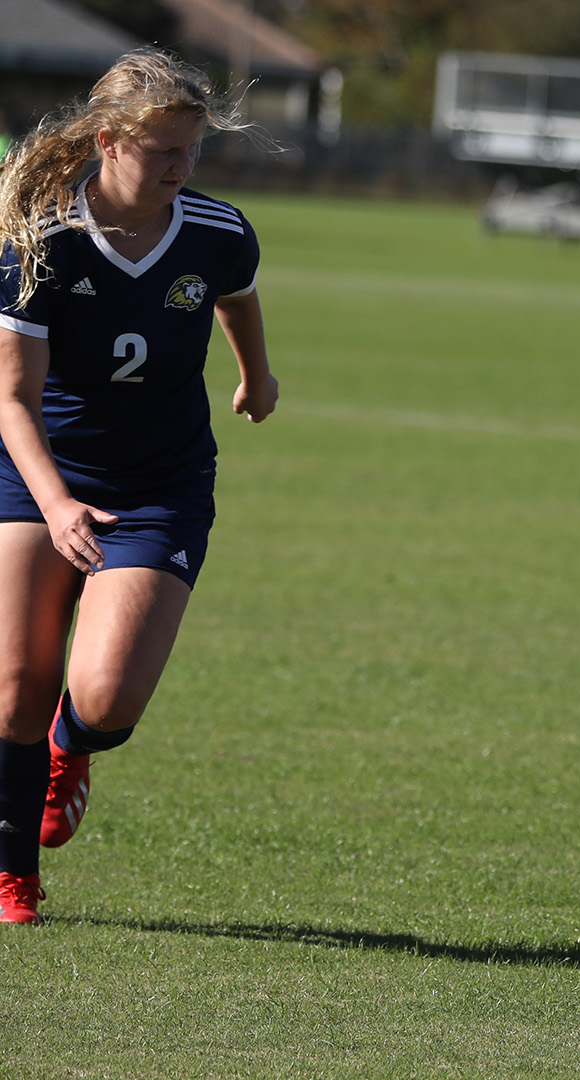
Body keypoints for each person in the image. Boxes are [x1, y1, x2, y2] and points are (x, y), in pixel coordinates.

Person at [0, 50, 278, 925]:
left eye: (191, 150)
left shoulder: (217, 229)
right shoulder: (41, 237)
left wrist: (257, 374)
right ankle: (11, 879)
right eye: (163, 151)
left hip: (160, 482)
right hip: (38, 474)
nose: (181, 167)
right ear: (109, 142)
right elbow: (11, 400)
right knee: (14, 686)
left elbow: (235, 294)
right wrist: (55, 505)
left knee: (107, 698)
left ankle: (72, 746)